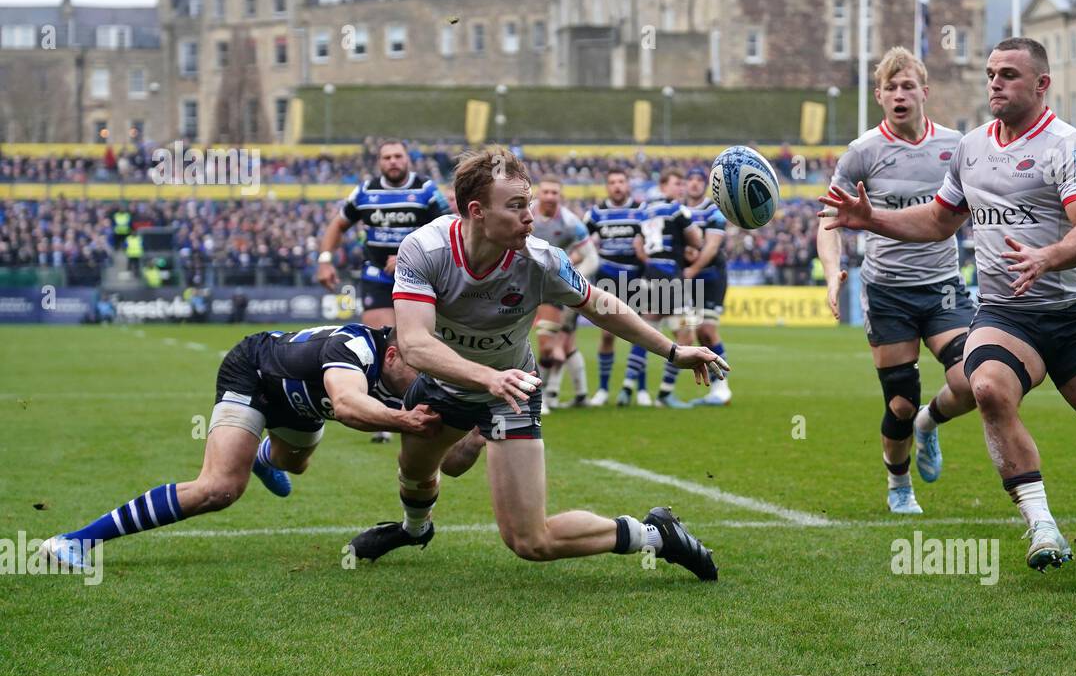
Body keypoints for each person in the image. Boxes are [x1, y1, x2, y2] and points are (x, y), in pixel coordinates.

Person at [820, 37, 1076, 573]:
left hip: (1072, 314)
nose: (995, 82)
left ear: (1042, 85)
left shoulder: (1070, 147)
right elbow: (939, 221)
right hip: (1005, 312)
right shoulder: (971, 148)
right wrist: (873, 218)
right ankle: (1041, 523)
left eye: (1009, 75)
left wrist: (1048, 256)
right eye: (991, 73)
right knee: (989, 387)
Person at [347, 147, 728, 580]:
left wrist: (674, 352)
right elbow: (414, 345)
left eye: (527, 203)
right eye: (515, 206)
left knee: (530, 542)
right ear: (477, 211)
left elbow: (600, 305)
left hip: (510, 392)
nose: (530, 216)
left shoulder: (542, 259)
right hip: (450, 383)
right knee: (423, 467)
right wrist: (488, 377)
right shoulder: (425, 249)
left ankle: (656, 535)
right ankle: (415, 529)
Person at [38, 324, 482, 570]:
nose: (426, 382)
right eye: (419, 368)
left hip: (303, 407)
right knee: (219, 488)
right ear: (391, 357)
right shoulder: (354, 347)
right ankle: (75, 542)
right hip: (255, 375)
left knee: (296, 466)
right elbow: (347, 406)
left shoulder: (418, 381)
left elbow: (453, 464)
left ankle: (262, 457)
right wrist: (405, 420)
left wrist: (480, 430)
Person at [816, 46, 976, 515]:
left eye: (908, 86)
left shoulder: (955, 146)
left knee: (973, 380)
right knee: (901, 402)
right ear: (879, 97)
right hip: (887, 291)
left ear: (925, 92)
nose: (900, 94)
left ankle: (930, 423)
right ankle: (899, 484)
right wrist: (831, 277)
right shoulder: (863, 152)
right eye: (891, 88)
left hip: (944, 285)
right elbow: (829, 218)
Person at [316, 139, 452, 441]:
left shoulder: (426, 190)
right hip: (377, 276)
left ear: (408, 160)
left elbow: (447, 227)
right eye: (387, 157)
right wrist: (325, 260)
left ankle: (429, 403)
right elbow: (337, 225)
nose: (393, 161)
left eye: (398, 156)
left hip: (419, 274)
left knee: (417, 341)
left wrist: (408, 252)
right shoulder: (365, 191)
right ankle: (383, 417)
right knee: (380, 344)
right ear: (380, 162)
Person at [529, 175, 598, 413]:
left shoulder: (571, 223)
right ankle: (563, 394)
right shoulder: (525, 213)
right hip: (520, 285)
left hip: (551, 290)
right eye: (545, 192)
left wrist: (569, 280)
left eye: (554, 193)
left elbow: (592, 258)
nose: (549, 196)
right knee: (561, 345)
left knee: (550, 345)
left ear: (561, 196)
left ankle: (543, 397)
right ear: (538, 194)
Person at [634, 168, 702, 408]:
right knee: (686, 335)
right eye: (677, 183)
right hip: (671, 277)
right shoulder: (677, 209)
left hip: (649, 274)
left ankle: (627, 388)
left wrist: (649, 261)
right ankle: (664, 394)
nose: (681, 188)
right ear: (663, 186)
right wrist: (687, 247)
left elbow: (637, 245)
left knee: (644, 332)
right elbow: (697, 240)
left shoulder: (643, 210)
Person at [582, 168, 649, 406]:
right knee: (608, 334)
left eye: (621, 181)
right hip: (607, 278)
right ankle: (602, 389)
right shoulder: (596, 214)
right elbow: (580, 241)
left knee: (640, 334)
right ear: (607, 186)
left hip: (636, 279)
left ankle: (641, 389)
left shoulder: (642, 211)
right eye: (612, 182)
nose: (617, 186)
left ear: (627, 185)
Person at [682, 166, 732, 406]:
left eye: (698, 179)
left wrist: (691, 268)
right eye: (689, 179)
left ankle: (722, 387)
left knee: (707, 331)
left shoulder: (714, 211)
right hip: (688, 281)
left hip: (711, 277)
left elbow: (712, 247)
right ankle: (714, 388)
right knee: (691, 334)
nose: (693, 183)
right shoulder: (679, 211)